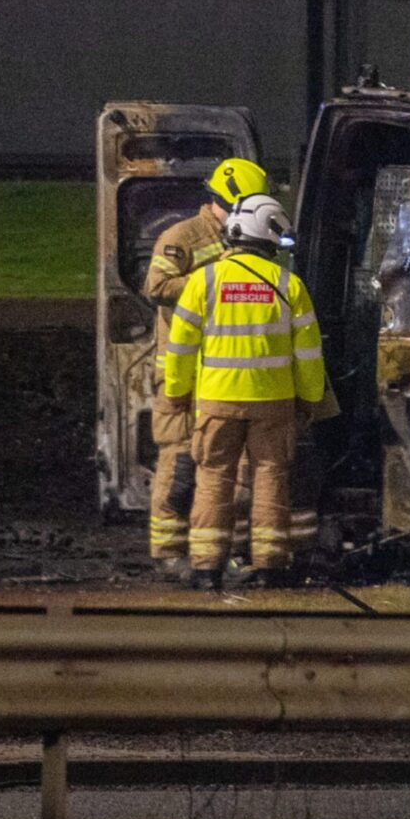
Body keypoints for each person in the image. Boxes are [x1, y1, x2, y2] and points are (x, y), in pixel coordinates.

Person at [163, 193, 325, 590]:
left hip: (217, 401)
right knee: (271, 477)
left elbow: (180, 346)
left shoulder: (204, 281)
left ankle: (206, 569)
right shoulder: (290, 285)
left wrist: (176, 392)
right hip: (274, 403)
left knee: (213, 477)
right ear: (269, 236)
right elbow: (307, 354)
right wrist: (310, 399)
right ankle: (269, 566)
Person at [140, 157, 268, 578]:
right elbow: (155, 287)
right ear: (218, 201)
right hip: (182, 373)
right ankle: (170, 553)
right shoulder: (182, 237)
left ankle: (222, 554)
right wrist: (214, 283)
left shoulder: (246, 235)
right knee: (179, 466)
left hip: (224, 375)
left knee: (233, 470)